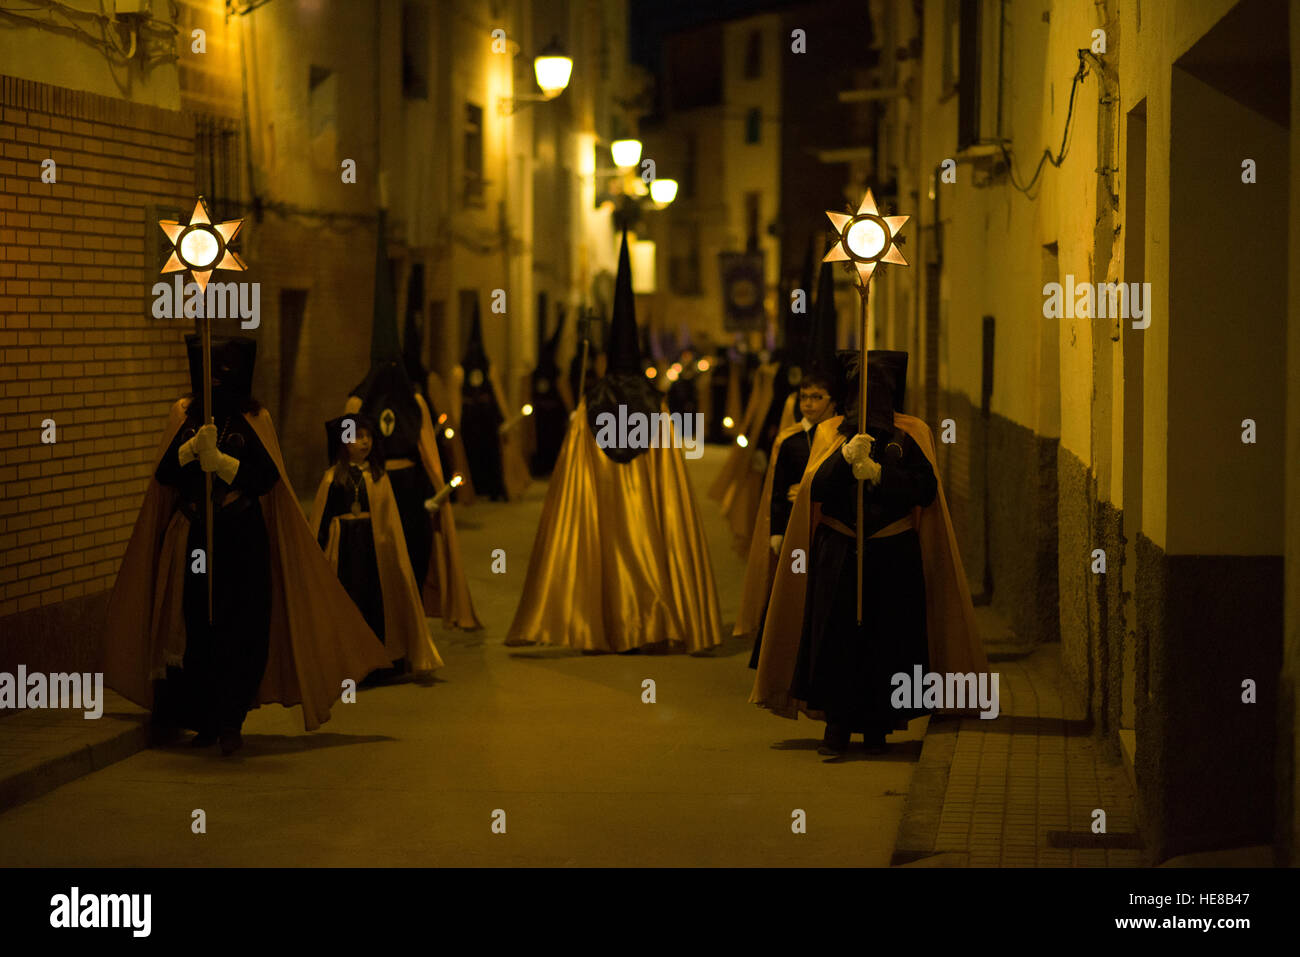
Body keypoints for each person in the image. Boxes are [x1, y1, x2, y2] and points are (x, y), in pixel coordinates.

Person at [103, 335, 393, 755]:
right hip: (195, 538)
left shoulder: (255, 418)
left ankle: (230, 720)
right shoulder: (184, 415)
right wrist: (187, 452)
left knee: (241, 628)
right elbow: (165, 476)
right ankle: (201, 716)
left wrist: (222, 464)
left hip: (240, 536)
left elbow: (265, 479)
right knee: (195, 627)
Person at [750, 349, 988, 756]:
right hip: (838, 552)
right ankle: (837, 728)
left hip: (892, 552)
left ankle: (880, 725)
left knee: (889, 641)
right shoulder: (829, 434)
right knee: (835, 640)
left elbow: (925, 490)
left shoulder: (912, 433)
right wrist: (843, 459)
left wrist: (881, 474)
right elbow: (816, 490)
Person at [506, 227, 723, 653]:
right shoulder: (654, 404)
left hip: (603, 499)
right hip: (645, 503)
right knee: (649, 551)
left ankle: (599, 622)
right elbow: (670, 472)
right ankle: (652, 622)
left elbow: (573, 475)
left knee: (601, 557)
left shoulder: (591, 404)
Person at [347, 209, 480, 630]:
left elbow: (427, 452)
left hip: (412, 493)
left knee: (415, 558)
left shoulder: (414, 403)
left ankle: (414, 625)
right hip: (376, 490)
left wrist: (438, 495)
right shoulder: (357, 403)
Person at [308, 414, 444, 678]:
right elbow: (320, 520)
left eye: (368, 436)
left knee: (375, 602)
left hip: (373, 552)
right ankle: (347, 662)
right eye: (358, 437)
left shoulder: (379, 477)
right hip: (344, 551)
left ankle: (380, 662)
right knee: (349, 602)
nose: (364, 442)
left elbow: (389, 521)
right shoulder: (332, 478)